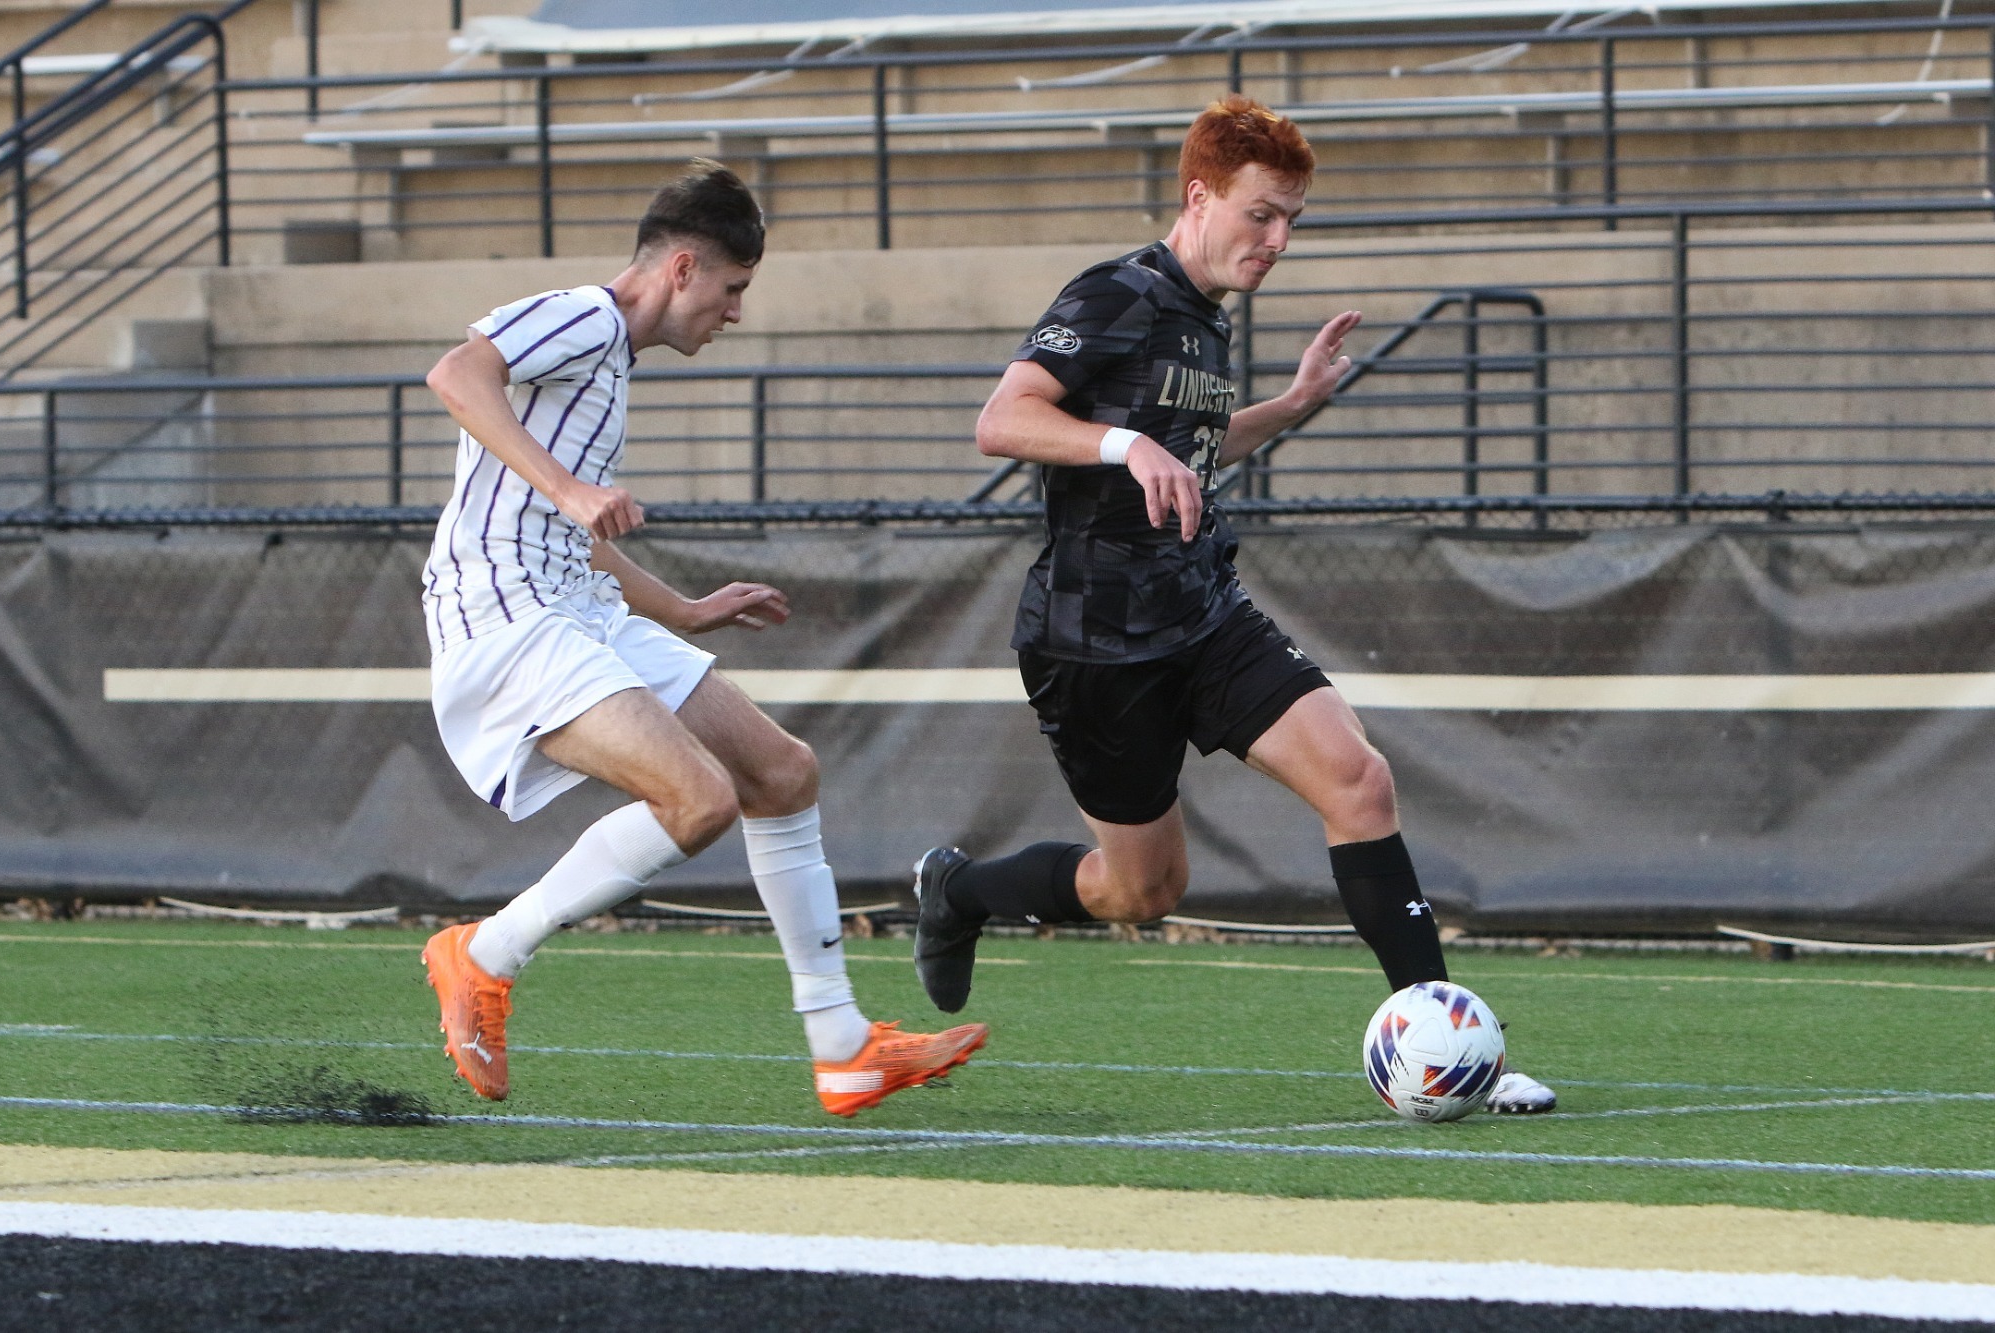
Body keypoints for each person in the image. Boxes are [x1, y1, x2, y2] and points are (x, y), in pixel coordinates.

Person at [911, 98, 1553, 1114]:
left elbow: (1193, 453)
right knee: (1139, 891)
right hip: (1096, 642)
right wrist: (1126, 445)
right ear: (1199, 196)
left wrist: (1288, 408)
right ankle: (958, 892)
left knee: (1359, 781)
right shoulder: (1117, 292)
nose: (1278, 239)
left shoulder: (1208, 316)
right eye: (1262, 214)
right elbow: (1003, 418)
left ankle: (1445, 1045)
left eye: (1292, 219)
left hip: (1204, 613)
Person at [417, 160, 986, 1118]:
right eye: (732, 287)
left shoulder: (610, 361)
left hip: (570, 603)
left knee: (782, 772)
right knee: (699, 800)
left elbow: (571, 534)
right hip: (503, 611)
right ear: (682, 269)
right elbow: (455, 373)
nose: (735, 312)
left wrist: (679, 610)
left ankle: (843, 1047)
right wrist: (571, 488)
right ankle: (484, 953)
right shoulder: (586, 315)